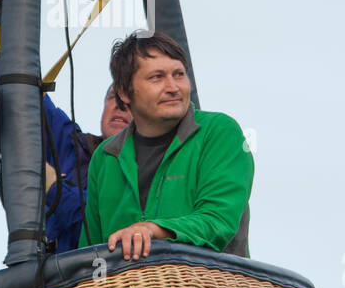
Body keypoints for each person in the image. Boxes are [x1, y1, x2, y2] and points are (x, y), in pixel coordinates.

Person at [0, 0, 132, 253]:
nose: (119, 107)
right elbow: (26, 95)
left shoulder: (153, 163)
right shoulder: (74, 145)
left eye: (128, 102)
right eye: (113, 98)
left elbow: (101, 221)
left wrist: (53, 189)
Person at [80, 31, 253, 260]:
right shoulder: (105, 157)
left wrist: (152, 230)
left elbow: (218, 221)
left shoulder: (220, 132)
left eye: (179, 75)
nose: (173, 87)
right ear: (124, 92)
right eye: (157, 77)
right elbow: (90, 250)